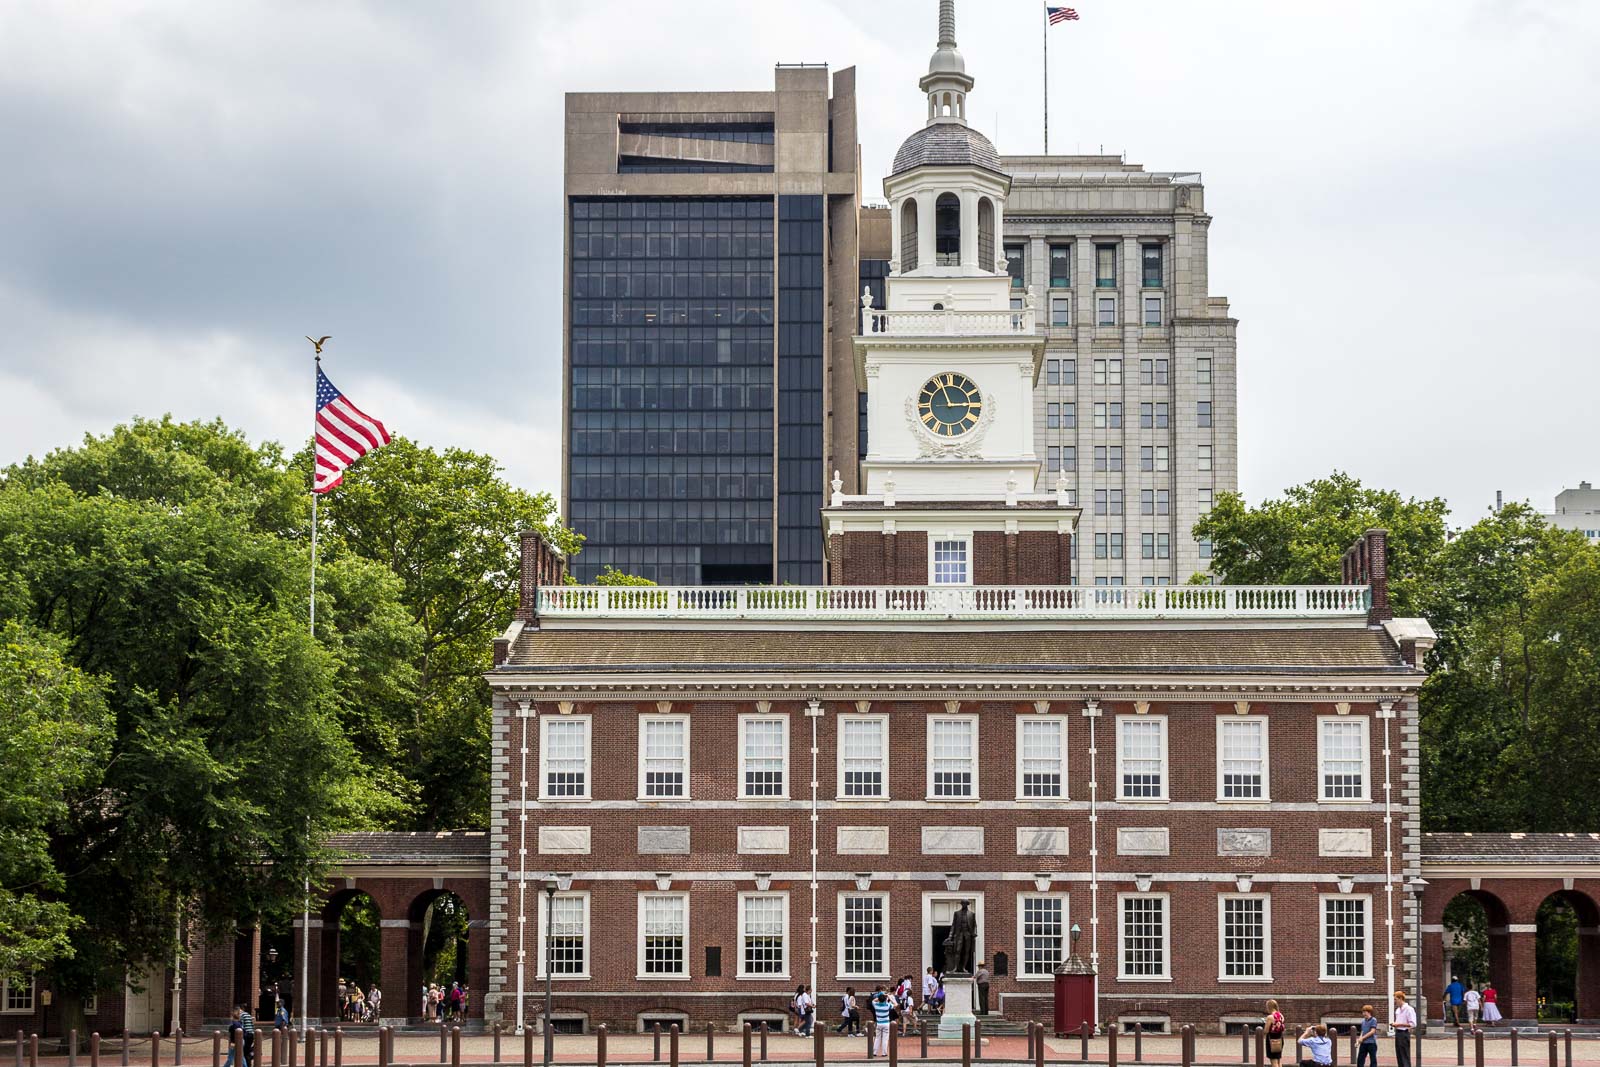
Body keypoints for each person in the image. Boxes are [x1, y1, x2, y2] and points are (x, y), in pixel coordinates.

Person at [1393, 991, 1418, 1067]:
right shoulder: (1398, 1010)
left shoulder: (1409, 1009)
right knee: (1399, 1054)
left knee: (1404, 1054)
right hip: (1398, 1032)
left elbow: (1413, 1023)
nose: (1395, 1001)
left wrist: (1399, 1024)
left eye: (1396, 999)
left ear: (1401, 999)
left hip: (1404, 1033)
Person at [871, 986, 894, 1058]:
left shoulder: (876, 1005)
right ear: (885, 999)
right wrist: (888, 997)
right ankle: (884, 1053)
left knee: (877, 1038)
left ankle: (874, 1052)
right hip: (886, 1023)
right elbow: (895, 1005)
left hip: (879, 1023)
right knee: (885, 1038)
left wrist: (880, 997)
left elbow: (873, 1001)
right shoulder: (888, 1005)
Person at [1265, 1000, 1287, 1067]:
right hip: (1280, 1038)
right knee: (1278, 1059)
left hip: (1272, 1039)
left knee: (1273, 1060)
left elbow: (1266, 1030)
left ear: (1269, 1007)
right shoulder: (1281, 1015)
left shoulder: (1270, 1017)